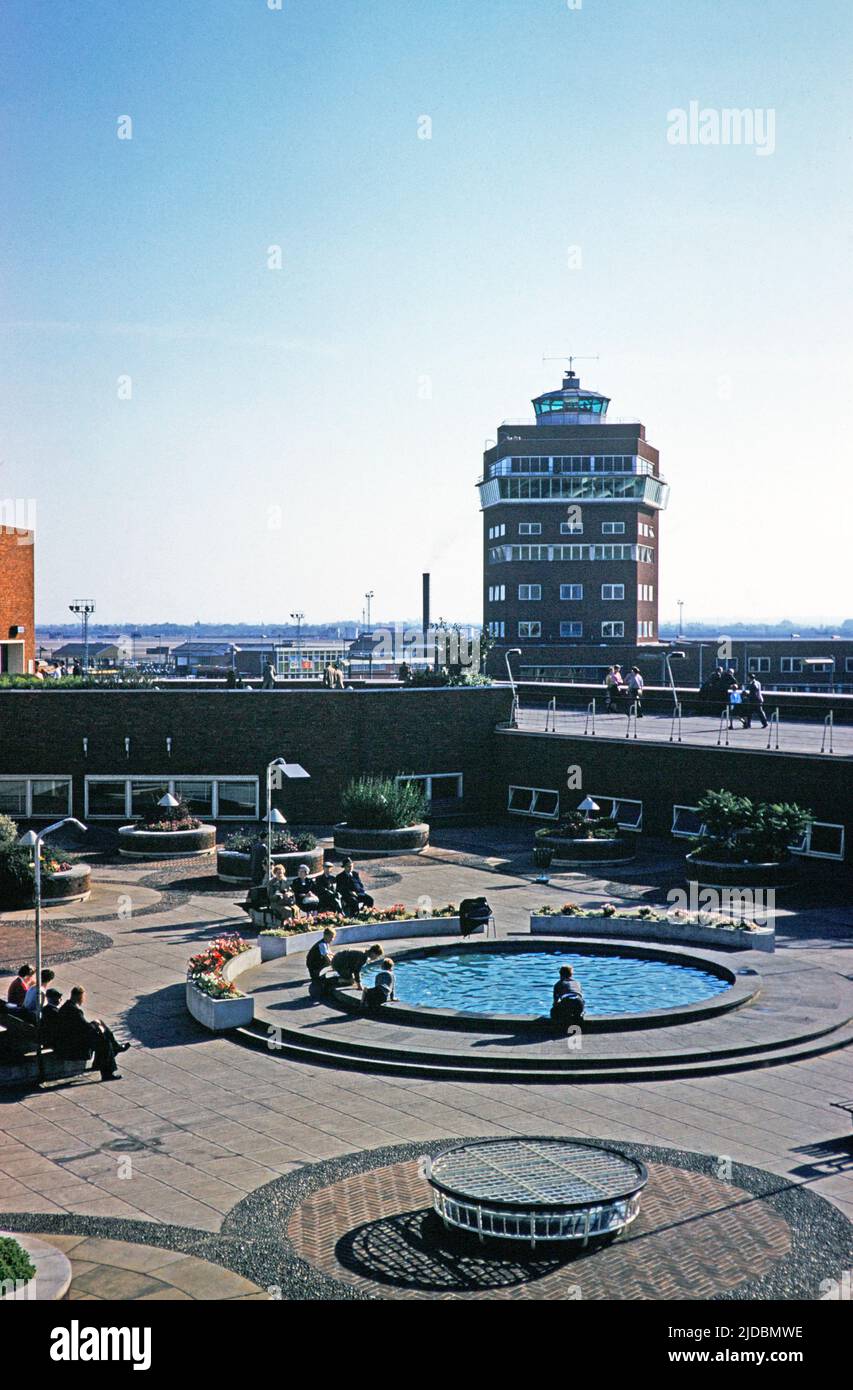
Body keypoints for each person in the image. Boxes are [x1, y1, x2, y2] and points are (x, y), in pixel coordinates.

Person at [54, 986, 129, 1081]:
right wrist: (95, 1024)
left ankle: (113, 1049)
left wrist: (96, 1024)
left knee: (102, 1031)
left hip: (71, 1038)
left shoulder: (67, 1007)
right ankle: (108, 1071)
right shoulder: (74, 1010)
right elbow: (85, 1027)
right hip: (72, 1042)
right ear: (79, 997)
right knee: (105, 1042)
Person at [550, 966, 585, 1034]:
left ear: (560, 974)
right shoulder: (577, 983)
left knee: (553, 1011)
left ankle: (557, 1028)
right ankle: (579, 1015)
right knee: (577, 1009)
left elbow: (555, 1002)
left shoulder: (558, 984)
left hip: (567, 1002)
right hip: (579, 1002)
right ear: (571, 974)